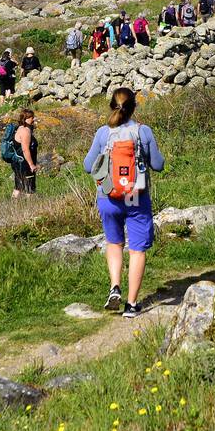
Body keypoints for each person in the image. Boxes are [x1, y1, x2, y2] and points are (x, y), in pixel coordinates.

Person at [83, 87, 165, 318]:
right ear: (134, 108)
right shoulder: (143, 131)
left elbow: (88, 166)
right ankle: (131, 305)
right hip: (136, 196)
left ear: (112, 106)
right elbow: (158, 165)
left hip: (108, 196)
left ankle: (115, 287)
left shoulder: (102, 133)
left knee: (114, 243)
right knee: (137, 249)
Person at [7, 107, 38, 197]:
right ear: (26, 119)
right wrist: (31, 164)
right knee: (29, 188)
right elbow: (25, 149)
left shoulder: (19, 128)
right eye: (32, 117)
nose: (34, 119)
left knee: (18, 186)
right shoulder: (25, 131)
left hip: (17, 162)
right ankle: (30, 207)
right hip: (24, 163)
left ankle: (14, 204)